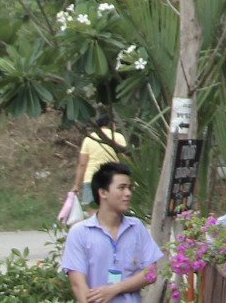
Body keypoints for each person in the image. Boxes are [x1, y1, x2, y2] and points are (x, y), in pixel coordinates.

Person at [61, 162, 162, 303]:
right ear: (103, 193)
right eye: (121, 188)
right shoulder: (80, 233)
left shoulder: (136, 227)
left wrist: (116, 288)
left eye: (129, 188)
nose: (128, 194)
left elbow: (151, 272)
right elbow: (78, 285)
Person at [67, 116, 126, 213]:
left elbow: (82, 164)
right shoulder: (118, 137)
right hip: (112, 179)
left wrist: (76, 185)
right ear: (111, 125)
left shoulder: (89, 139)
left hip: (91, 178)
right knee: (113, 211)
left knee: (93, 211)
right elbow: (124, 160)